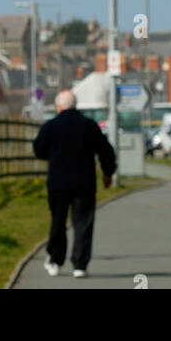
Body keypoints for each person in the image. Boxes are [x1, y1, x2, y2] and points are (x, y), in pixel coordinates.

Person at [33, 88, 116, 278]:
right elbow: (105, 150)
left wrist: (53, 154)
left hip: (58, 183)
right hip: (84, 183)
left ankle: (55, 260)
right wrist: (108, 172)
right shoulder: (88, 125)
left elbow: (39, 150)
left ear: (59, 106)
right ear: (75, 105)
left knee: (58, 222)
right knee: (83, 224)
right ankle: (80, 265)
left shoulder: (50, 126)